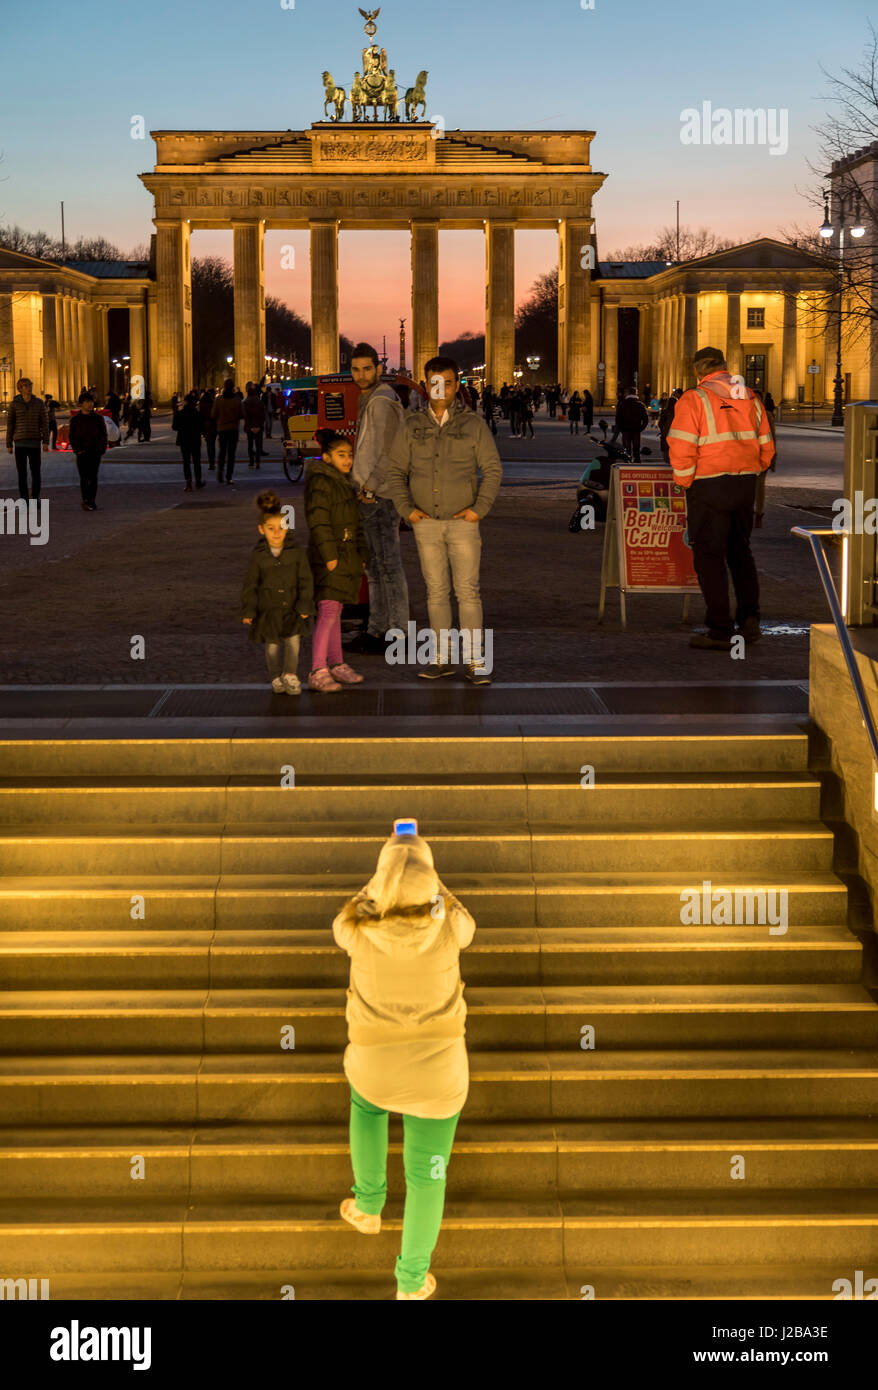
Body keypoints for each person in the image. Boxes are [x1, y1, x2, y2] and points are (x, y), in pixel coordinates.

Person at [334, 827, 476, 1300]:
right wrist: (441, 891)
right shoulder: (450, 923)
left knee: (367, 1105)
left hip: (376, 1065)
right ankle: (412, 1282)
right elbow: (469, 927)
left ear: (380, 880)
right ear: (432, 881)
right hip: (440, 1075)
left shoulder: (358, 926)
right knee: (427, 1177)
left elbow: (339, 924)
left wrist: (373, 889)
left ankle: (369, 1203)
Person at [385, 355, 503, 684]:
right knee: (436, 593)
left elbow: (492, 470)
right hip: (426, 522)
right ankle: (440, 658)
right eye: (435, 382)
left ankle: (475, 661)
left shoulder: (474, 425)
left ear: (456, 385)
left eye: (448, 382)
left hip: (464, 522)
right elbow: (395, 472)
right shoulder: (411, 425)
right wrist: (407, 509)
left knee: (468, 593)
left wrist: (480, 508)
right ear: (426, 386)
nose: (441, 388)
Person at [667, 346, 775, 650]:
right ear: (725, 367)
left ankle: (720, 628)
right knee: (740, 552)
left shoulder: (695, 398)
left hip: (708, 484)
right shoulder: (749, 396)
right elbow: (766, 443)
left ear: (697, 371)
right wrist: (753, 469)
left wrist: (684, 480)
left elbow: (682, 445)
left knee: (710, 558)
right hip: (744, 483)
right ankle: (750, 620)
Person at [348, 341, 409, 655]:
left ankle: (395, 633)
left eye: (367, 369)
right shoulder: (373, 399)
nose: (361, 375)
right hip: (372, 493)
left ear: (379, 369)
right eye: (356, 369)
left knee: (387, 567)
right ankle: (379, 628)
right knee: (375, 567)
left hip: (379, 496)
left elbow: (388, 452)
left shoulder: (382, 402)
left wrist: (369, 488)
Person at [304, 429, 370, 691]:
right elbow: (317, 520)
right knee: (329, 611)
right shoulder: (322, 483)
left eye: (350, 455)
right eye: (341, 455)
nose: (347, 460)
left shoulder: (343, 483)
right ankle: (318, 669)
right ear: (326, 458)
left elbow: (356, 523)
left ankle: (335, 663)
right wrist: (330, 556)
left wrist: (361, 554)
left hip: (346, 555)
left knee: (335, 611)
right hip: (330, 557)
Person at [241, 489, 314, 694]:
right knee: (272, 646)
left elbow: (305, 580)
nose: (276, 533)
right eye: (271, 528)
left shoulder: (296, 553)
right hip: (269, 609)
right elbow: (251, 584)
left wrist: (305, 604)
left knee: (293, 643)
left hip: (292, 607)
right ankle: (275, 676)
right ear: (261, 529)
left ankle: (290, 674)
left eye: (281, 528)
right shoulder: (259, 557)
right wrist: (249, 610)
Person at [5, 378, 48, 501]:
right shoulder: (14, 404)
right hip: (20, 443)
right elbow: (10, 424)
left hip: (34, 443)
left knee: (36, 473)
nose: (28, 387)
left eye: (30, 385)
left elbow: (44, 423)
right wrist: (9, 443)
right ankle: (24, 498)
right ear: (20, 389)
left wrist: (45, 441)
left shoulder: (39, 403)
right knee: (22, 474)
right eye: (25, 386)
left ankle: (35, 497)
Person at [68, 390, 108, 511]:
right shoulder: (75, 420)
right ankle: (85, 499)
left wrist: (101, 448)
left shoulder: (98, 418)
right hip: (82, 452)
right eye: (86, 402)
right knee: (84, 477)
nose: (90, 404)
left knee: (93, 476)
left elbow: (103, 434)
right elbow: (72, 437)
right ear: (81, 404)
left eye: (91, 402)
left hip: (95, 451)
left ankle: (92, 500)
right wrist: (77, 450)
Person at [752, 389, 777, 528]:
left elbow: (773, 438)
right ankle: (750, 512)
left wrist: (773, 458)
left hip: (762, 457)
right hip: (747, 458)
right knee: (748, 487)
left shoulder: (767, 416)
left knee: (759, 487)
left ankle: (759, 513)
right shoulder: (744, 414)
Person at [173, 390, 206, 492]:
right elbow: (202, 427)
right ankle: (198, 481)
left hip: (184, 440)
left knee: (186, 462)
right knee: (197, 462)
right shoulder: (198, 414)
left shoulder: (180, 413)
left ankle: (188, 484)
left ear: (185, 402)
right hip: (195, 440)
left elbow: (174, 427)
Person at [212, 378, 243, 484]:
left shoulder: (218, 399)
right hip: (233, 429)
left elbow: (213, 414)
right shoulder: (237, 399)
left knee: (222, 451)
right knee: (231, 454)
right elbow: (241, 414)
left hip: (222, 429)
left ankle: (220, 471)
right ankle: (229, 477)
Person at [615, 386, 649, 461]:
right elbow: (646, 419)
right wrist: (640, 428)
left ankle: (627, 463)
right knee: (636, 448)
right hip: (636, 429)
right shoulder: (640, 404)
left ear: (628, 393)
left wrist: (621, 428)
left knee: (627, 449)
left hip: (625, 429)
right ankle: (637, 463)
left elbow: (618, 419)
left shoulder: (622, 404)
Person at [243, 383, 265, 469]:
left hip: (249, 427)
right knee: (258, 445)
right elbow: (262, 415)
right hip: (258, 426)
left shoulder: (245, 402)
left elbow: (245, 416)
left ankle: (251, 462)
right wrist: (259, 426)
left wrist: (250, 426)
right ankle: (258, 461)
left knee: (250, 445)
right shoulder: (259, 402)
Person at [658, 388, 682, 462]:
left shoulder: (665, 412)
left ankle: (667, 462)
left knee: (666, 451)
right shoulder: (679, 412)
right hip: (676, 434)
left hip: (666, 433)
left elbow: (660, 423)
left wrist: (662, 429)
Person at [199, 387, 217, 469]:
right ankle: (212, 462)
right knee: (212, 445)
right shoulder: (213, 404)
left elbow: (200, 417)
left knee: (208, 445)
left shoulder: (201, 406)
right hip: (213, 426)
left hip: (205, 427)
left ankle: (211, 463)